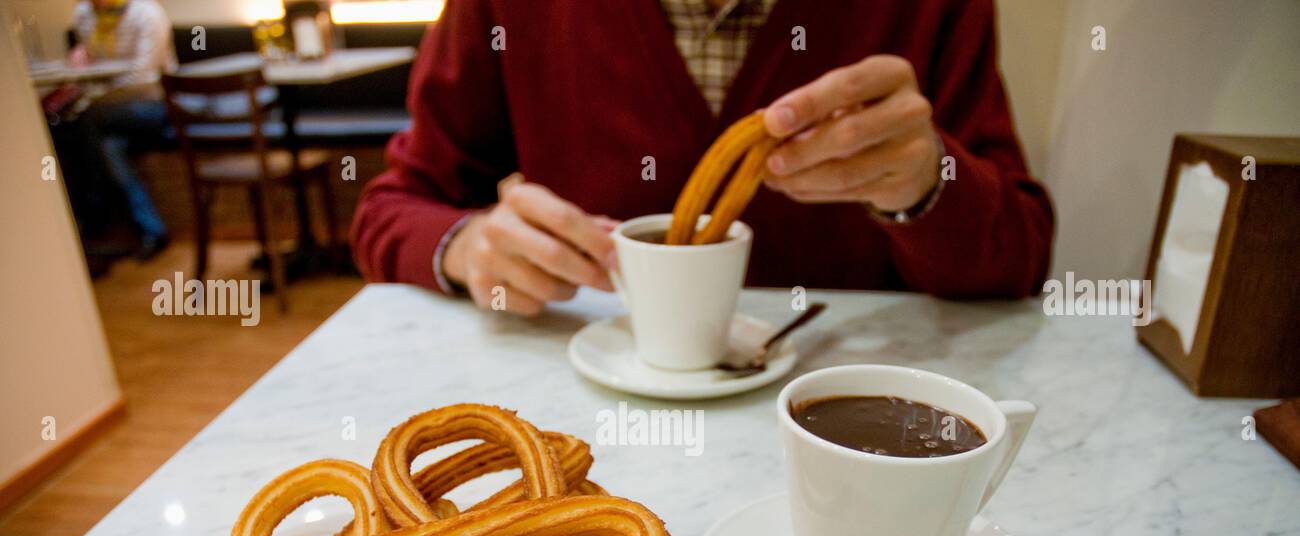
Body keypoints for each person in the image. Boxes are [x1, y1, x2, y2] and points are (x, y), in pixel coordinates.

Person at [352, 0, 1054, 316]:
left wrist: (927, 184)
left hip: (849, 429)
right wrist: (467, 246)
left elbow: (1019, 258)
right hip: (590, 420)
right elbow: (390, 208)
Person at [70, 0, 177, 259]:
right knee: (108, 148)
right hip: (108, 114)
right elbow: (88, 64)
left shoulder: (147, 14)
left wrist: (98, 93)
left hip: (155, 106)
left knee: (84, 120)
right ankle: (151, 229)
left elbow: (143, 78)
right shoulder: (84, 15)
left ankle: (93, 215)